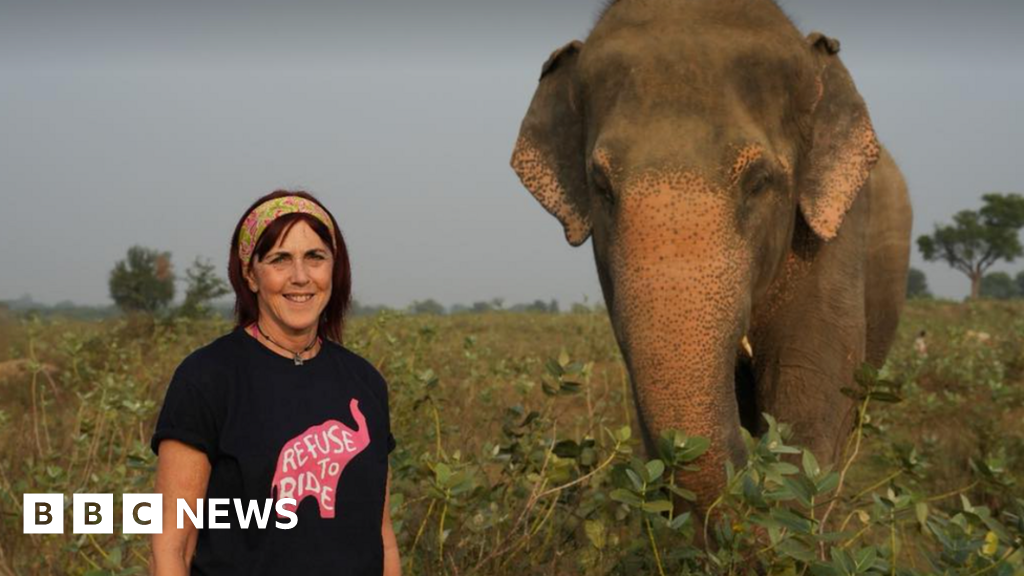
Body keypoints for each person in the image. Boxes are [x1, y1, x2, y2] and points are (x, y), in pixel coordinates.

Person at [150, 191, 400, 576]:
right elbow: (173, 545)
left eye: (315, 257)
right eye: (280, 259)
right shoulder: (208, 378)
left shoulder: (365, 383)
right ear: (250, 274)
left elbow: (380, 536)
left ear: (334, 269)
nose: (300, 277)